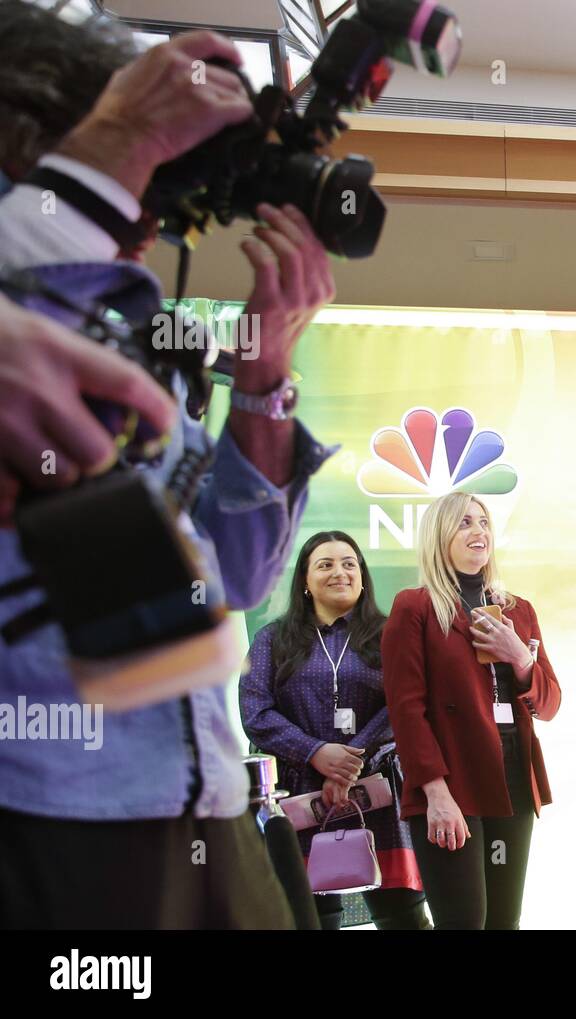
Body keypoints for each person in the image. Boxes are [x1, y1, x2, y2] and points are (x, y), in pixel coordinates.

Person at [0, 6, 336, 928]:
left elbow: (236, 575)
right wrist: (117, 140)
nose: (150, 213)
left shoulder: (128, 327)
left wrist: (265, 378)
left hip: (208, 799)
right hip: (48, 813)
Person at [382, 492, 561, 930]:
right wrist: (436, 795)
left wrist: (520, 657)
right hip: (451, 782)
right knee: (463, 922)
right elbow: (407, 712)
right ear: (438, 536)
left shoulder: (519, 611)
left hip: (513, 777)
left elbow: (550, 703)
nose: (478, 532)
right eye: (463, 523)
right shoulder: (415, 607)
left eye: (483, 522)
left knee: (504, 922)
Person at [240, 531, 430, 930]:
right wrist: (315, 752)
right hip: (301, 795)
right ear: (305, 582)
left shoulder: (391, 633)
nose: (339, 572)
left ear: (362, 575)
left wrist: (350, 761)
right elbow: (256, 712)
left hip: (379, 789)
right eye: (325, 565)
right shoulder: (272, 640)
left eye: (349, 563)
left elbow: (406, 703)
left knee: (403, 915)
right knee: (311, 917)